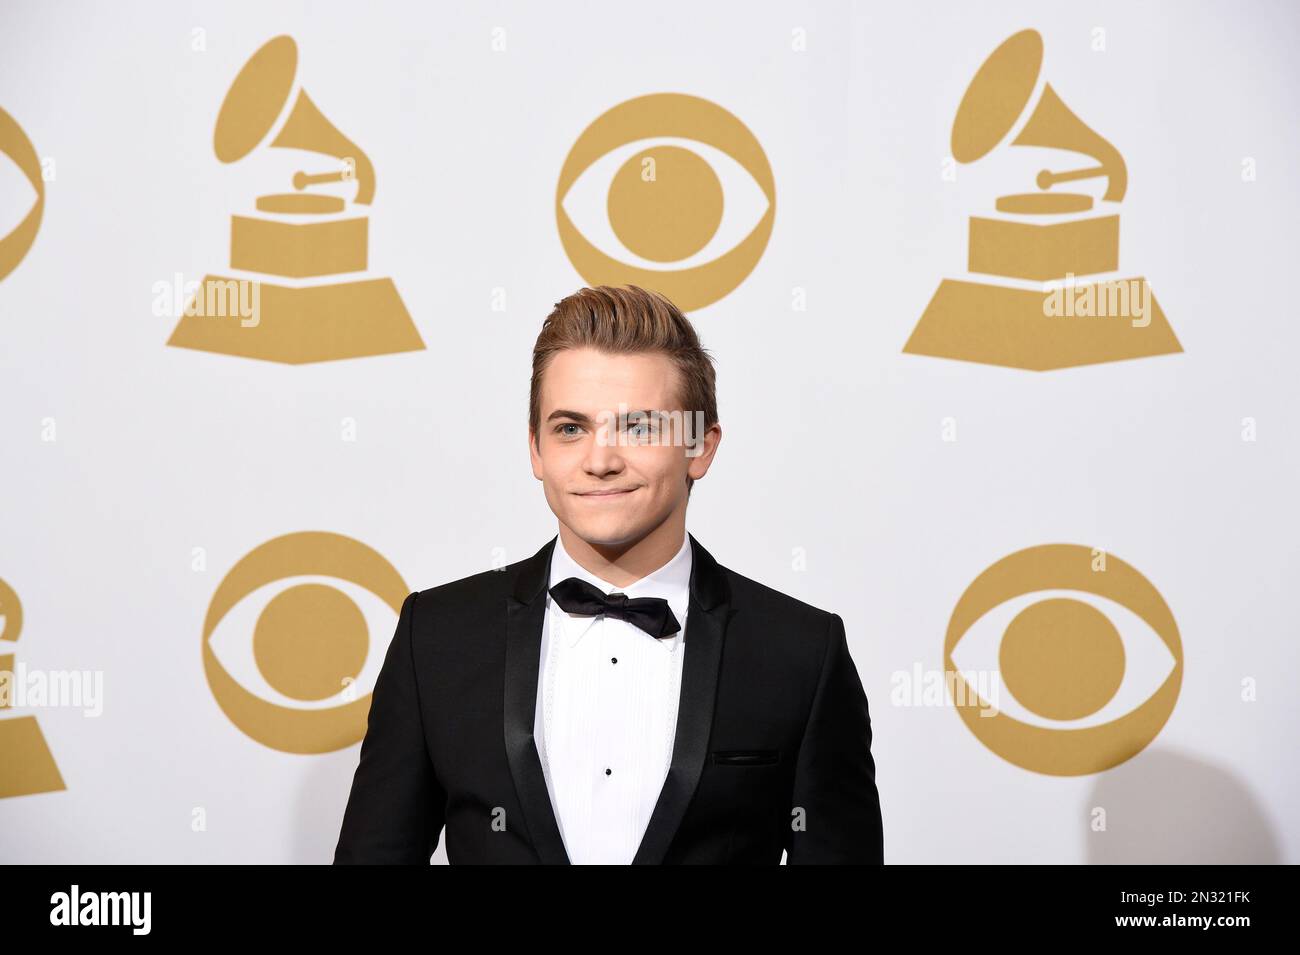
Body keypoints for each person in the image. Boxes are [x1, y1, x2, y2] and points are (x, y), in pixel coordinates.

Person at [333, 285, 882, 864]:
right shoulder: (438, 637)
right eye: (570, 428)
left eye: (639, 428)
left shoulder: (800, 652)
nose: (599, 460)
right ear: (536, 450)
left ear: (700, 447)